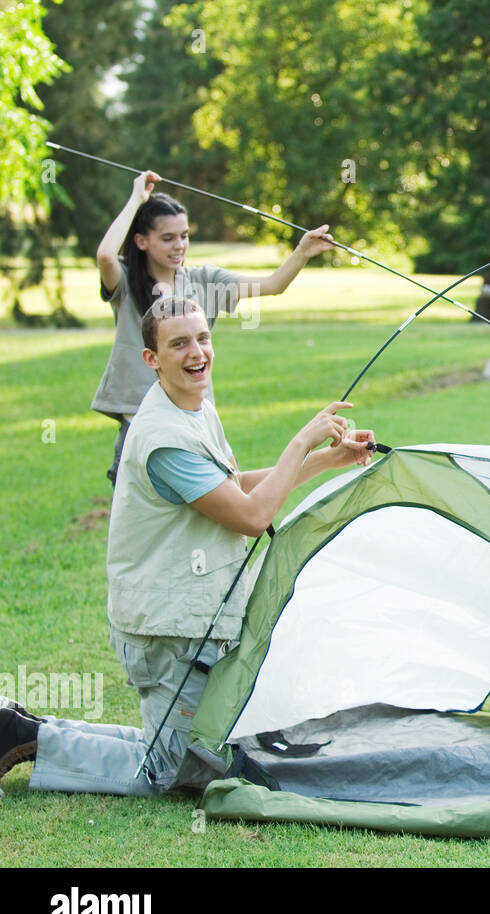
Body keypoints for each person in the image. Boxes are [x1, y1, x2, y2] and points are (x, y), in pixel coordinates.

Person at [0, 297, 375, 792]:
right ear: (152, 359)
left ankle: (22, 730)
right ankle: (26, 739)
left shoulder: (192, 408)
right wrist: (299, 442)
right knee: (177, 768)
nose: (197, 351)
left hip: (187, 622)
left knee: (192, 748)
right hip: (169, 634)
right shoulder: (164, 437)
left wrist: (329, 461)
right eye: (179, 343)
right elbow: (251, 516)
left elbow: (233, 486)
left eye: (202, 338)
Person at [93, 170, 335, 485]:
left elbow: (272, 285)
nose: (179, 245)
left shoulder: (204, 280)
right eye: (168, 238)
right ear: (141, 241)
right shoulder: (126, 282)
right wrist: (137, 199)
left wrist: (301, 252)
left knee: (228, 496)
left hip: (196, 419)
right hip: (142, 423)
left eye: (184, 235)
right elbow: (104, 255)